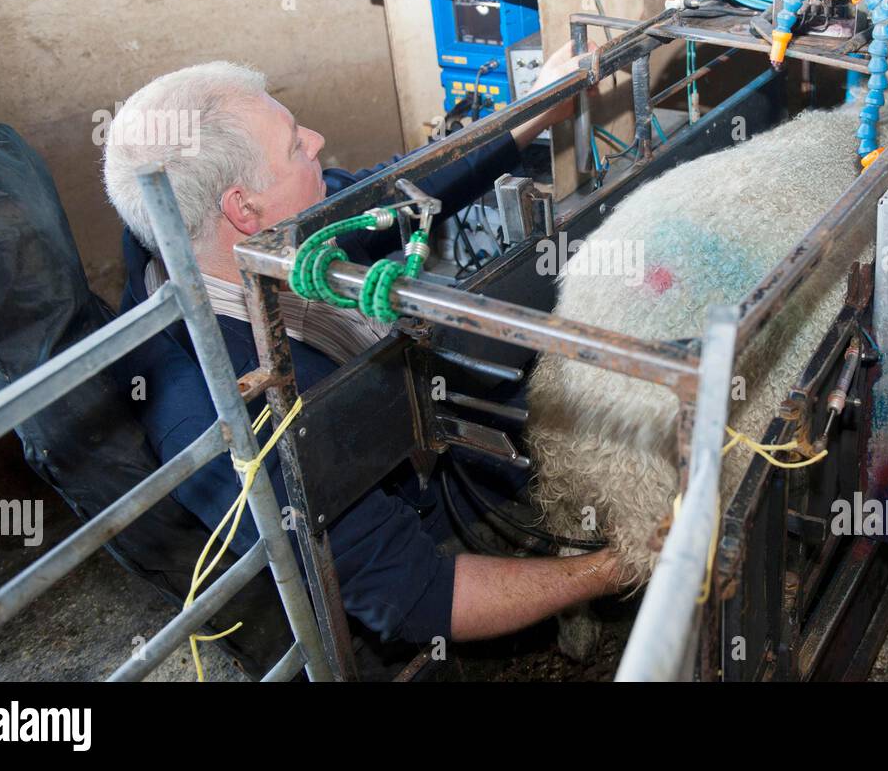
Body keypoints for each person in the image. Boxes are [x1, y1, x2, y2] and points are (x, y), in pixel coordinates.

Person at [103, 46, 622, 648]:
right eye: (297, 144)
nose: (319, 141)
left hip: (411, 409)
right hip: (414, 510)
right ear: (243, 208)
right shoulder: (223, 417)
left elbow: (397, 189)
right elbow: (421, 597)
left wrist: (538, 104)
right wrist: (614, 568)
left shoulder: (216, 232)